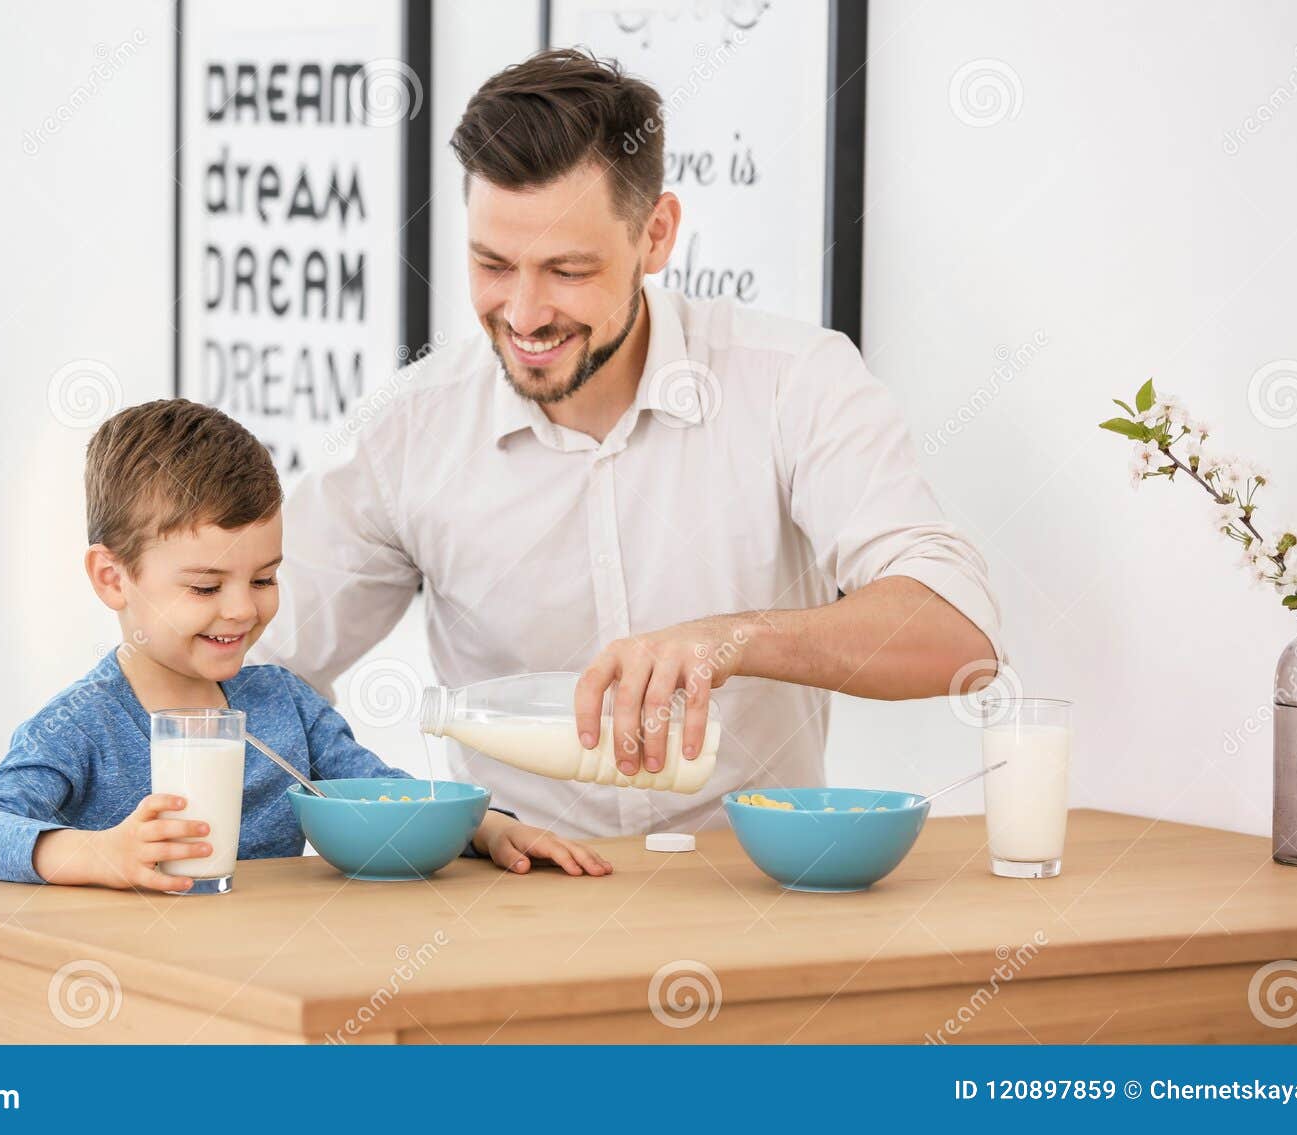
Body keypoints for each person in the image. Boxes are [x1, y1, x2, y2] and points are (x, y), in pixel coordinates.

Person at [251, 49, 1003, 838]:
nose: (525, 313)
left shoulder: (793, 382)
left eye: (569, 269)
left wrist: (731, 639)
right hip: (515, 904)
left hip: (755, 895)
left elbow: (958, 632)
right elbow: (250, 652)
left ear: (657, 234)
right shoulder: (410, 431)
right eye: (492, 264)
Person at [0, 399, 611, 890]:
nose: (243, 607)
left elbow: (376, 791)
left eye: (264, 577)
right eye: (205, 586)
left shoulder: (283, 705)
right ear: (113, 578)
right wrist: (98, 855)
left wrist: (487, 828)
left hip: (269, 991)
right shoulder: (82, 724)